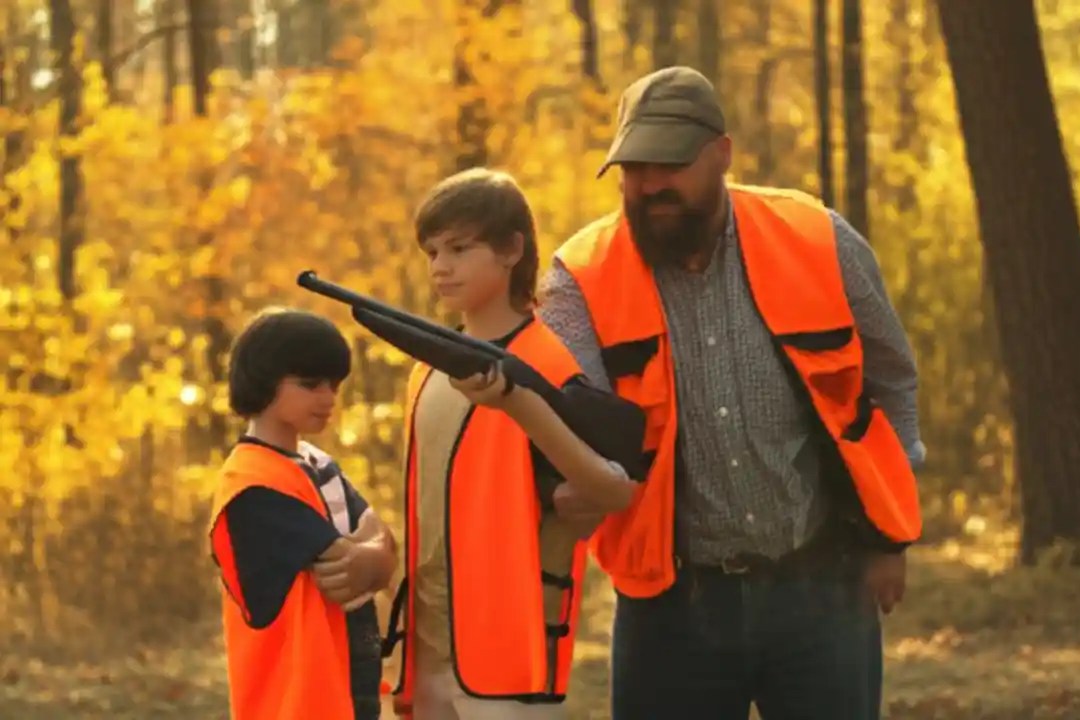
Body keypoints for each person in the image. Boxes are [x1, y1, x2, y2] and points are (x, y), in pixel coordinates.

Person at [537, 66, 927, 720]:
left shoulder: (817, 236)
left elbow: (890, 378)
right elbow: (568, 432)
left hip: (823, 590)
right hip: (670, 605)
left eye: (670, 164)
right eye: (634, 167)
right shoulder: (578, 277)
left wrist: (888, 534)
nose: (650, 184)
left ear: (722, 154)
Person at [384, 167, 637, 720]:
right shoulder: (427, 372)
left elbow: (610, 490)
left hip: (513, 647)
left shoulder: (548, 364)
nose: (439, 267)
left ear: (511, 249)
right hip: (428, 646)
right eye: (431, 252)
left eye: (458, 247)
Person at [208, 308, 399, 720]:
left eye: (333, 384)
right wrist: (373, 558)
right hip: (294, 701)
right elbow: (344, 563)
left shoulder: (315, 463)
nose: (328, 397)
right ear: (262, 382)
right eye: (310, 384)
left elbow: (381, 543)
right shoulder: (252, 482)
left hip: (351, 683)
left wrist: (377, 558)